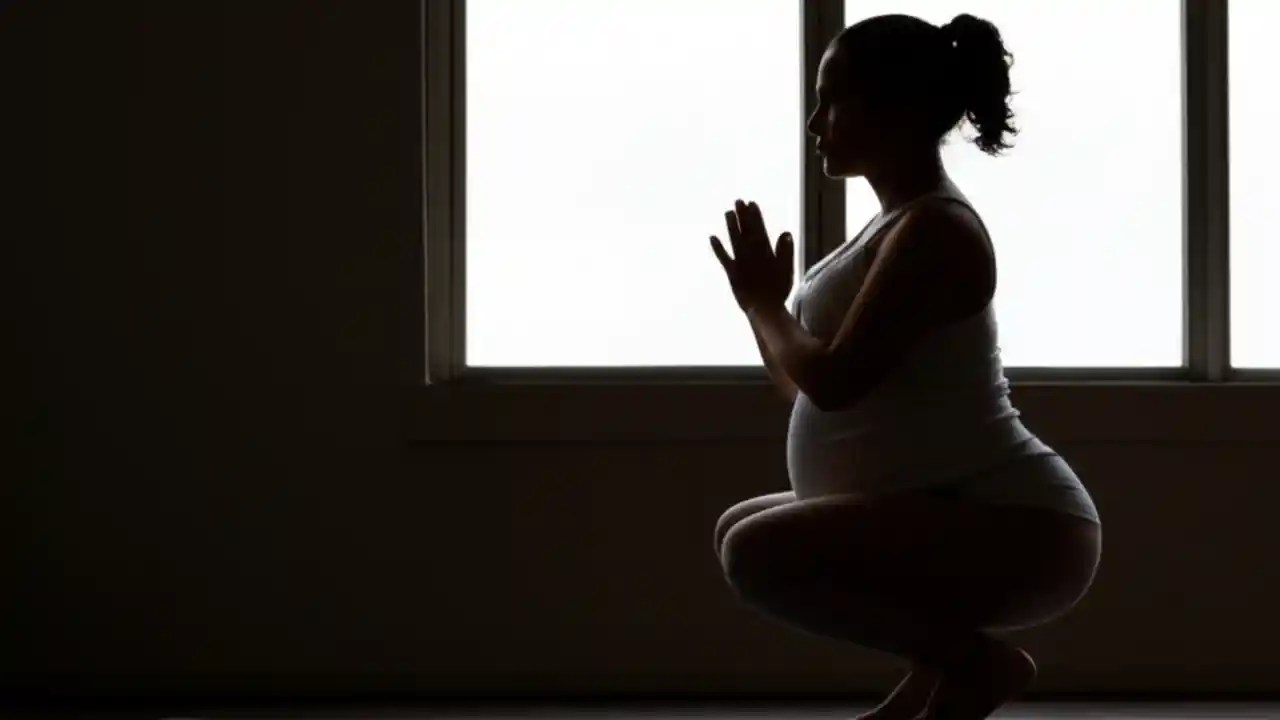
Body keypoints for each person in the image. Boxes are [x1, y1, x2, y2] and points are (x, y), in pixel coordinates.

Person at [708, 13, 1102, 720]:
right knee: (740, 526)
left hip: (1020, 524)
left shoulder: (936, 230)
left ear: (897, 108)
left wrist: (770, 306)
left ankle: (973, 665)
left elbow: (834, 382)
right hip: (950, 512)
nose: (814, 121)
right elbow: (798, 386)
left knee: (753, 551)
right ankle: (933, 686)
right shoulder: (895, 226)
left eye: (832, 99)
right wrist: (758, 308)